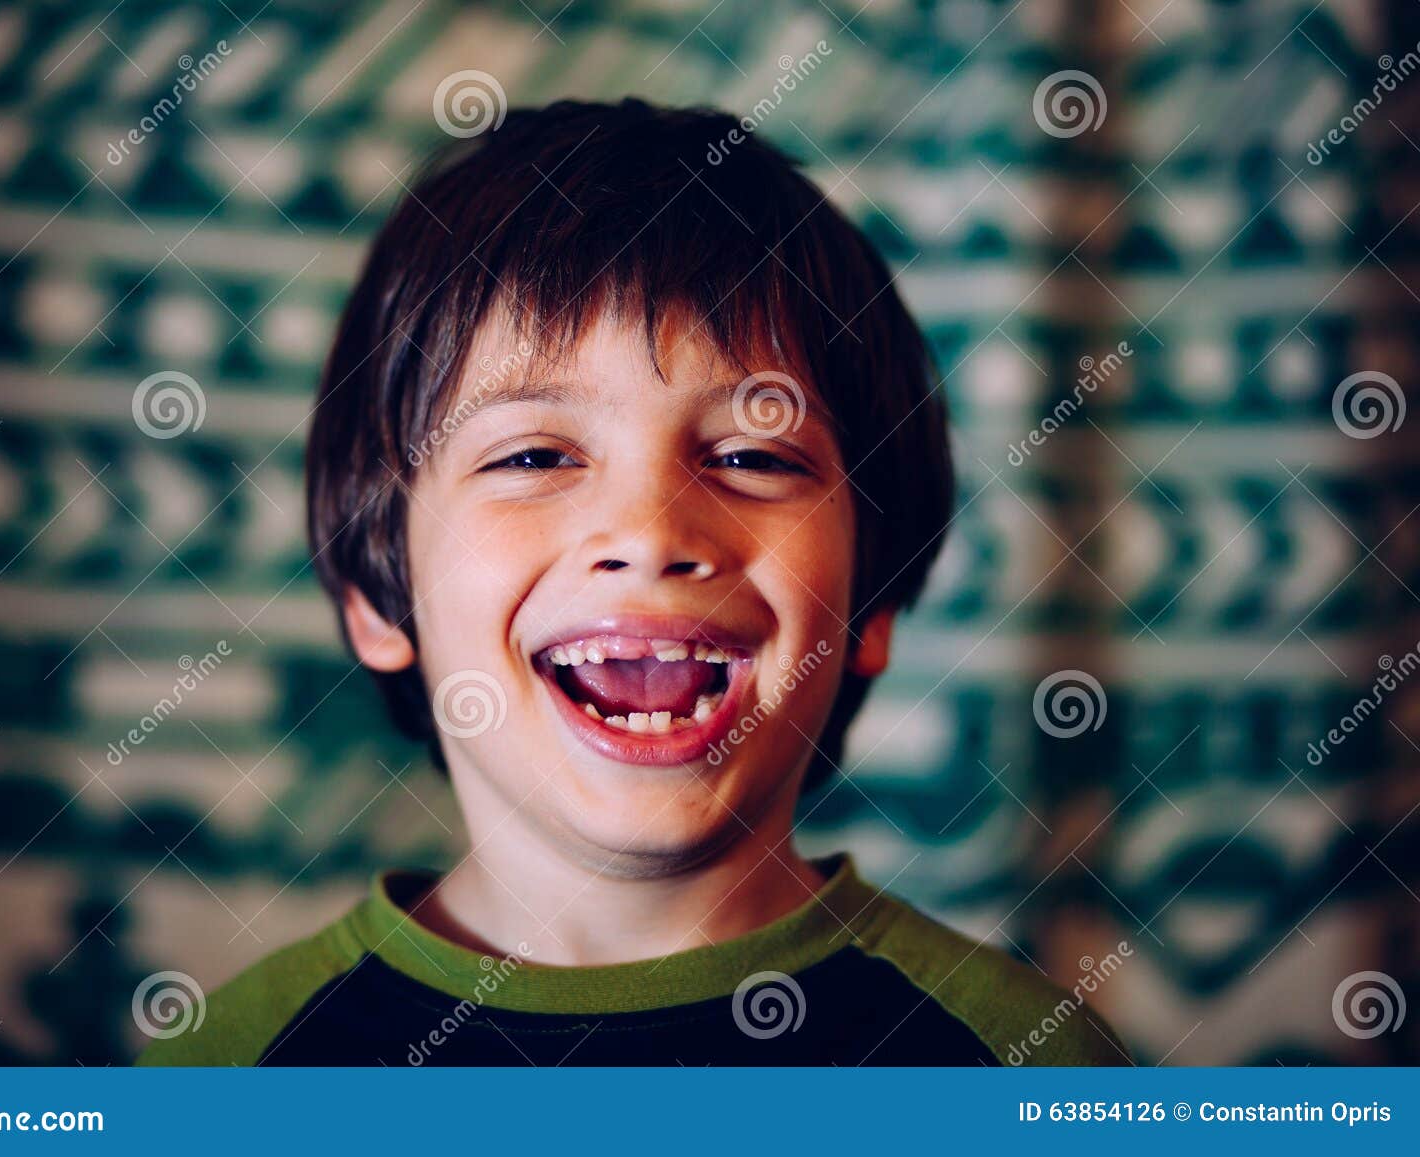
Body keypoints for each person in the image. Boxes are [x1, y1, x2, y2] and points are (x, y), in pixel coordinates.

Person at [139, 98, 1127, 1066]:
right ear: (376, 593)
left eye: (754, 456)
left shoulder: (1023, 1065)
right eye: (532, 456)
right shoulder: (226, 1071)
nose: (650, 535)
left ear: (871, 600)